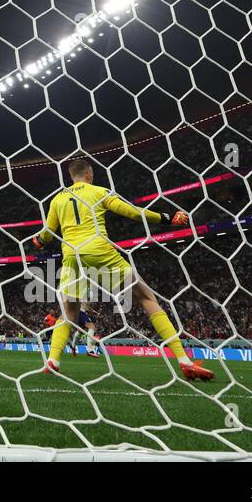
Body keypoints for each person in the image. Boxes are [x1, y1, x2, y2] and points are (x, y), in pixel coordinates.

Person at [32, 156, 213, 381]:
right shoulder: (99, 191)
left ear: (70, 176)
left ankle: (53, 360)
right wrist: (168, 219)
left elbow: (47, 233)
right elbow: (131, 211)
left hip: (71, 255)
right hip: (99, 249)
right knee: (147, 298)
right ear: (89, 174)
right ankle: (184, 361)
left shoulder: (58, 199)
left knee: (69, 312)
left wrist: (39, 240)